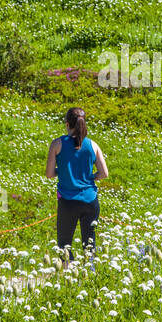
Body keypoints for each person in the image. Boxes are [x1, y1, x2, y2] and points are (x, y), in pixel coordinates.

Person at [46, 107, 108, 263]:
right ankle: (90, 275)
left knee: (64, 243)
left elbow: (49, 174)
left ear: (67, 124)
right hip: (90, 200)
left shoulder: (57, 144)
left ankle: (69, 276)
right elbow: (104, 173)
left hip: (68, 201)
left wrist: (64, 171)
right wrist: (90, 177)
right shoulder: (93, 145)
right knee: (89, 243)